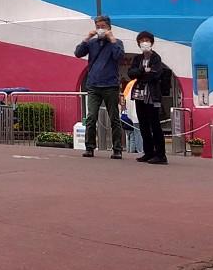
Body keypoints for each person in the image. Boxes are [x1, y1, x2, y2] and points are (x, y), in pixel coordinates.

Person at [74, 15, 126, 159]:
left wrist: (112, 39)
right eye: (98, 27)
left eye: (103, 27)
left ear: (109, 27)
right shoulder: (92, 43)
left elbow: (119, 56)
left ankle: (117, 149)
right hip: (93, 85)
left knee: (114, 118)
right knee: (91, 117)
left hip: (111, 85)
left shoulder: (117, 43)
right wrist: (87, 38)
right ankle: (89, 148)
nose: (100, 29)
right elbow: (78, 53)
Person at [130, 30, 175, 165]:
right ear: (138, 43)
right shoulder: (137, 59)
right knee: (143, 125)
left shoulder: (156, 58)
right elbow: (131, 73)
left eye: (147, 40)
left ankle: (160, 154)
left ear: (152, 43)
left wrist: (141, 74)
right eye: (142, 41)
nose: (144, 43)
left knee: (155, 124)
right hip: (139, 95)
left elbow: (155, 74)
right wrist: (143, 71)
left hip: (152, 95)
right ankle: (148, 152)